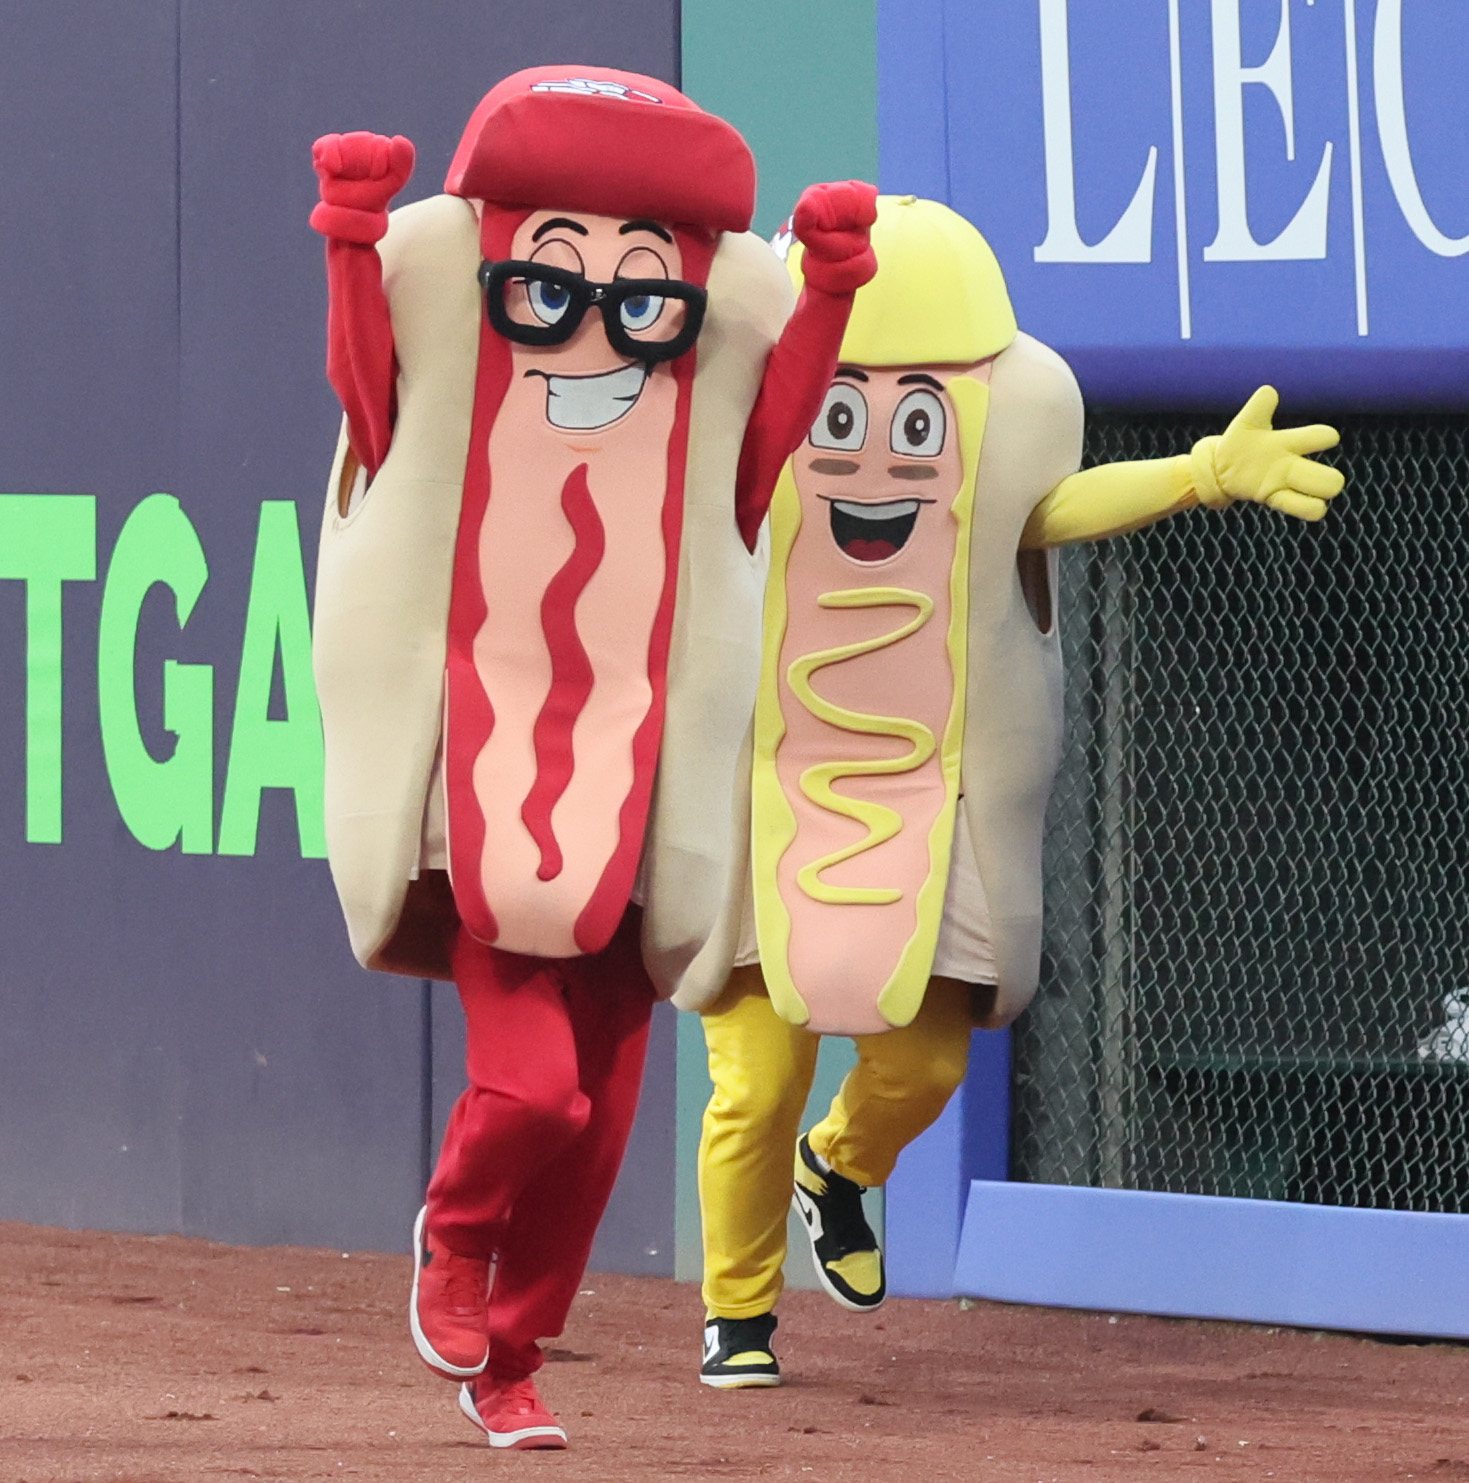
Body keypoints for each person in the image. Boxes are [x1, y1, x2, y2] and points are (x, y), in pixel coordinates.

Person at [307, 66, 877, 1445]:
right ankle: (449, 1238)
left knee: (601, 1115)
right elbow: (373, 414)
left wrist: (833, 290)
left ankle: (510, 1364)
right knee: (532, 1088)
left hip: (640, 799)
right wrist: (349, 238)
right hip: (494, 792)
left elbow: (764, 454)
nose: (600, 332)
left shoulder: (694, 436)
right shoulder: (460, 401)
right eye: (549, 290)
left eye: (645, 299)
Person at [689, 194, 1345, 1387]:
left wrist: (1200, 472)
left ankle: (838, 1169)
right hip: (760, 792)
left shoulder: (986, 476)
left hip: (920, 792)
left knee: (927, 1063)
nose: (877, 448)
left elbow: (1050, 510)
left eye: (918, 412)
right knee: (759, 1075)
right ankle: (737, 1315)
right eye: (844, 409)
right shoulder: (737, 460)